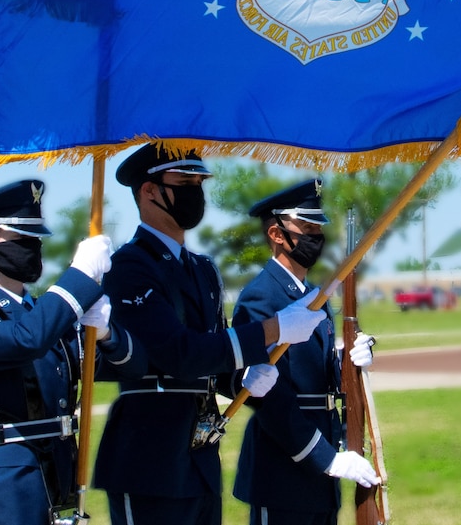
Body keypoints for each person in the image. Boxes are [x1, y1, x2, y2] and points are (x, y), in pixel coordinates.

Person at [94, 144, 326, 525]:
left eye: (199, 180)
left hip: (198, 457)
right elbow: (179, 354)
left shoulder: (202, 269)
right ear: (149, 191)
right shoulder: (129, 266)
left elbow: (214, 358)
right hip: (150, 456)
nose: (196, 190)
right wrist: (274, 328)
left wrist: (243, 380)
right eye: (184, 181)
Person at [0, 179, 145, 525]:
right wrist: (78, 278)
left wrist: (108, 333)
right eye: (22, 238)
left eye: (36, 238)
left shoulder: (49, 316)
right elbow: (25, 340)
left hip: (60, 473)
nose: (33, 247)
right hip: (9, 481)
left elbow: (132, 368)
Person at [232, 179, 379, 525]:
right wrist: (324, 457)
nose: (316, 236)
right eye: (307, 227)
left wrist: (349, 362)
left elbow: (320, 374)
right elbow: (267, 397)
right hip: (283, 469)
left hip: (320, 473)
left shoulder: (315, 297)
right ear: (277, 234)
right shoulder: (260, 298)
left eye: (318, 227)